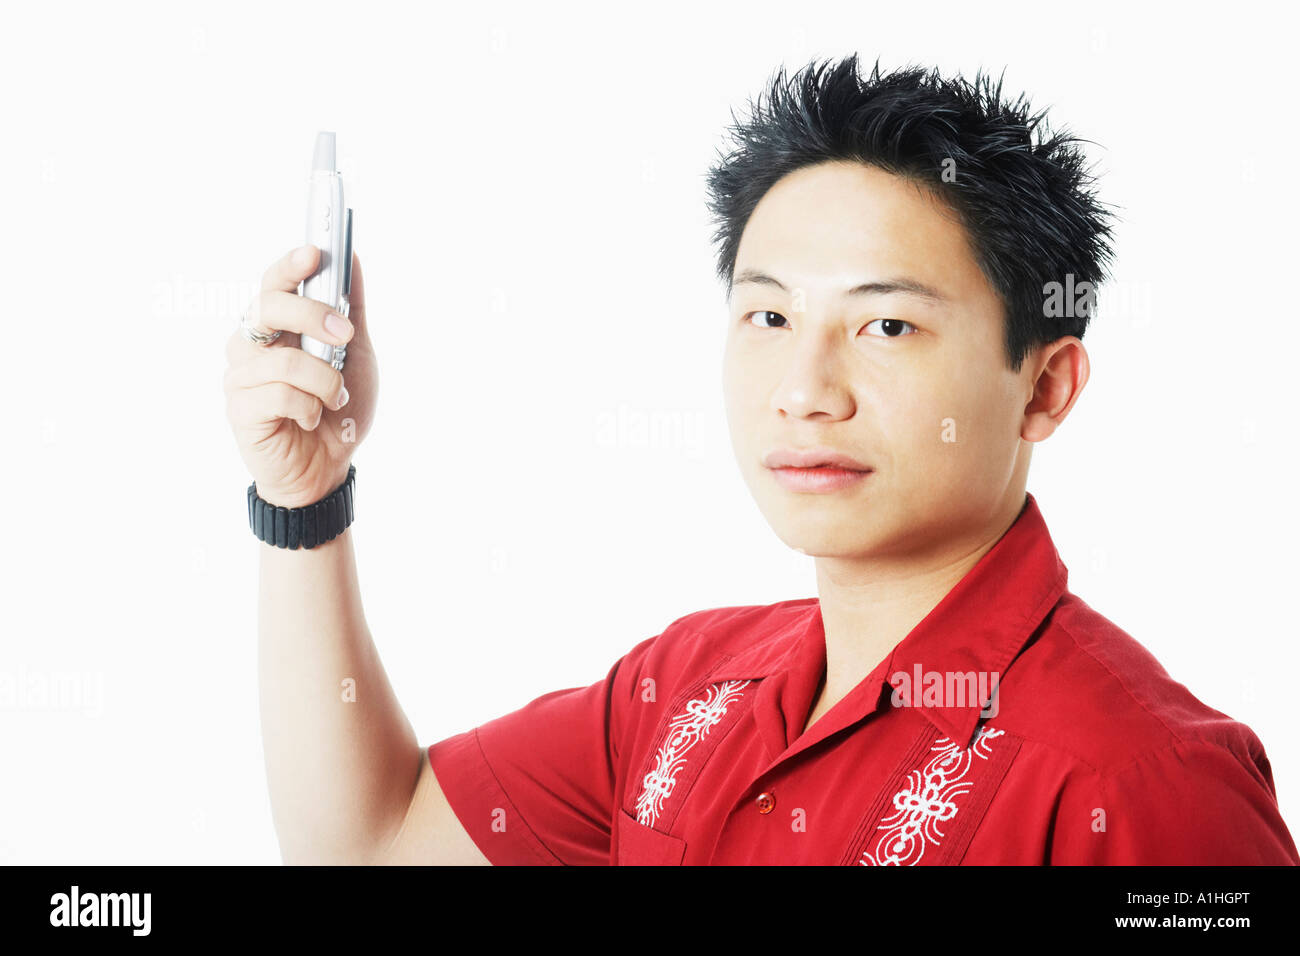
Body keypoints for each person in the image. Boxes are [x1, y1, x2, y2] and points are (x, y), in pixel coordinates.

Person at [223, 55, 1299, 865]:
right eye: (770, 315)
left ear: (1046, 384)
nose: (804, 388)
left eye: (886, 327)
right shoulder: (688, 687)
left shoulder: (1144, 783)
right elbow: (370, 845)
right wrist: (304, 495)